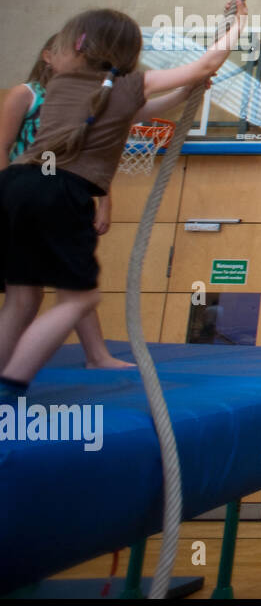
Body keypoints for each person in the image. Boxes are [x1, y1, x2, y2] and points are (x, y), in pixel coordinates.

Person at [0, 2, 247, 396]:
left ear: (75, 49)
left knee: (21, 297)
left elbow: (128, 115)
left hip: (14, 187)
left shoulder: (62, 86)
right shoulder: (133, 85)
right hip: (60, 193)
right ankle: (12, 381)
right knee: (80, 299)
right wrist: (238, 27)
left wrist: (184, 93)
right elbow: (204, 66)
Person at [0, 35, 203, 369]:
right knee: (33, 292)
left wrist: (105, 202)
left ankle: (93, 355)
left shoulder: (94, 98)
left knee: (73, 281)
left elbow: (94, 153)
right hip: (27, 193)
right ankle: (15, 372)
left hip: (63, 192)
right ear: (49, 56)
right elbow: (5, 143)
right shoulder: (29, 94)